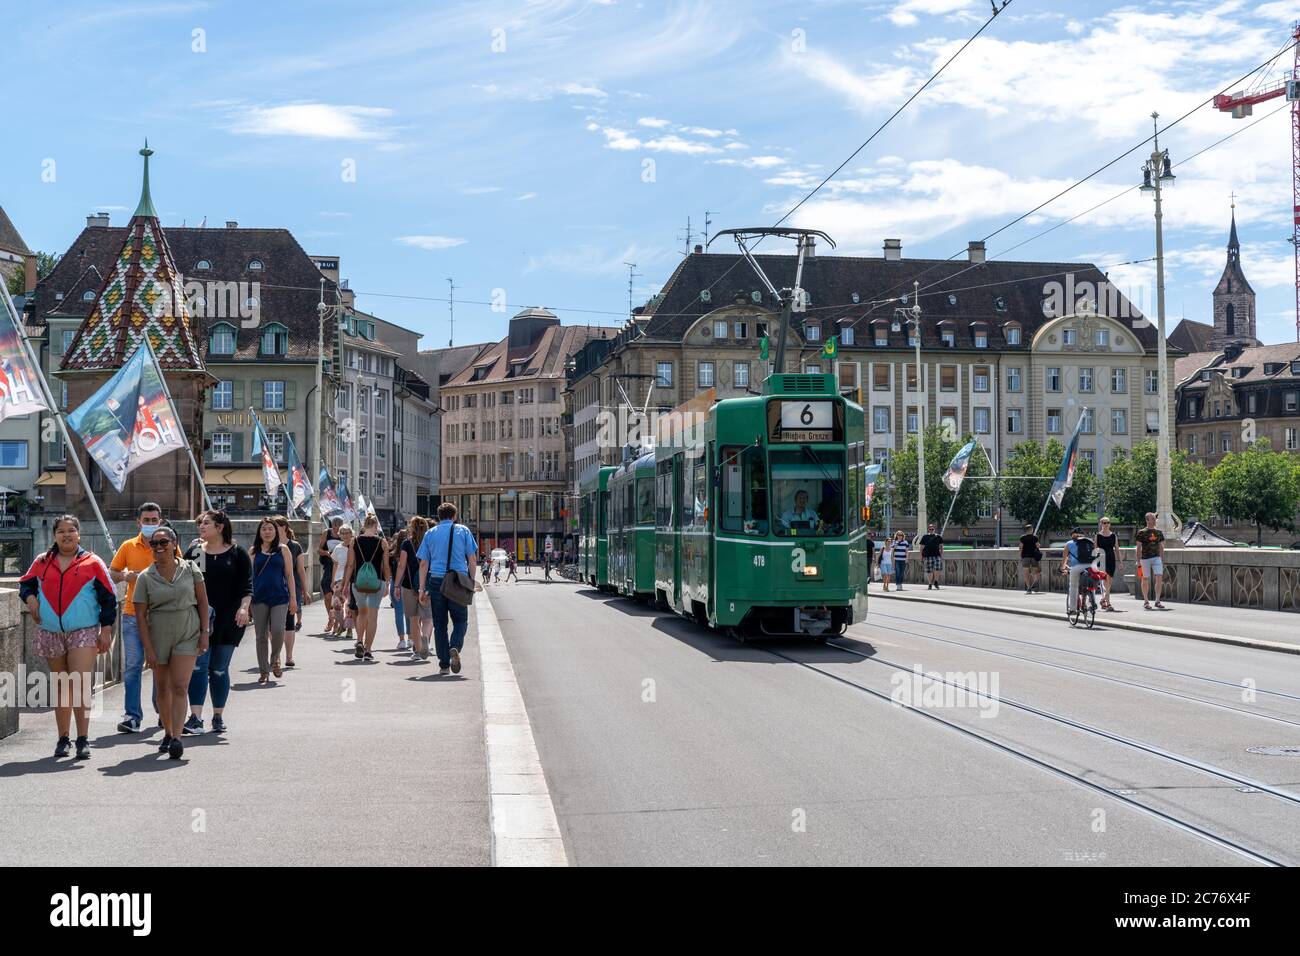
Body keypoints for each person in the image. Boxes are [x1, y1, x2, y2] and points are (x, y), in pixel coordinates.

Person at [19, 516, 116, 760]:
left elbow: (109, 597)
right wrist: (31, 600)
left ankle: (83, 738)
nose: (66, 535)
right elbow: (26, 585)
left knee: (79, 682)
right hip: (51, 630)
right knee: (62, 684)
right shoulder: (42, 561)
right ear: (54, 536)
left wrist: (106, 629)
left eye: (72, 530)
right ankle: (63, 738)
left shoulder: (93, 562)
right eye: (61, 531)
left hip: (83, 629)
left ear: (79, 535)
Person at [133, 526, 208, 761]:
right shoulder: (145, 577)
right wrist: (148, 649)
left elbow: (203, 601)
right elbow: (140, 617)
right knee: (162, 689)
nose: (158, 548)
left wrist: (204, 632)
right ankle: (167, 731)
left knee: (179, 686)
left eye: (163, 543)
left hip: (187, 629)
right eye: (153, 544)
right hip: (159, 633)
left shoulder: (191, 568)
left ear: (174, 544)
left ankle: (177, 738)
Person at [183, 510, 251, 735]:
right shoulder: (196, 553)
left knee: (219, 669)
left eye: (206, 523)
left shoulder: (236, 553)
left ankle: (218, 716)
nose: (201, 526)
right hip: (200, 618)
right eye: (200, 523)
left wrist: (244, 607)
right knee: (199, 668)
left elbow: (246, 586)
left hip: (229, 619)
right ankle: (195, 717)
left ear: (220, 527)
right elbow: (184, 582)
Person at [110, 501, 166, 733]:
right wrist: (126, 576)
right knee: (133, 666)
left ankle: (163, 711)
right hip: (133, 614)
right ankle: (132, 715)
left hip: (161, 615)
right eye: (147, 520)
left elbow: (179, 569)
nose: (150, 524)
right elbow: (112, 574)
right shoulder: (127, 546)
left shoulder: (167, 545)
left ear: (160, 521)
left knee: (160, 665)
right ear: (139, 522)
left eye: (154, 520)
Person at [417, 502, 478, 676]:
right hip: (458, 581)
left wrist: (422, 589)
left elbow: (423, 563)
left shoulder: (430, 533)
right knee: (460, 620)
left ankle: (444, 663)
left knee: (440, 623)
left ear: (438, 516)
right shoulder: (463, 531)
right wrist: (471, 582)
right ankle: (455, 646)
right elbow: (472, 559)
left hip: (436, 581)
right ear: (454, 516)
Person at [249, 516, 297, 683]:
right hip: (259, 597)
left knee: (277, 630)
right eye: (264, 529)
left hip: (280, 596)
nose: (267, 532)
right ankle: (263, 671)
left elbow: (290, 575)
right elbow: (249, 578)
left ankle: (275, 658)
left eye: (270, 528)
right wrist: (246, 601)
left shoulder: (283, 549)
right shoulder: (253, 551)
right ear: (259, 532)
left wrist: (294, 599)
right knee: (260, 636)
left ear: (276, 531)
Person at [344, 514, 389, 661]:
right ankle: (368, 650)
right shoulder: (382, 542)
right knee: (373, 616)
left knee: (362, 613)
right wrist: (387, 583)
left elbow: (350, 565)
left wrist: (345, 585)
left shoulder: (354, 541)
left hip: (358, 582)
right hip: (377, 582)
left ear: (364, 525)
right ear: (376, 526)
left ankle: (359, 641)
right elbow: (385, 566)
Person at [272, 516, 310, 667]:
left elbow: (300, 570)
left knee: (289, 623)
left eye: (275, 526)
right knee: (273, 626)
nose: (272, 529)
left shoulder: (295, 546)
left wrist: (305, 591)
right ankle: (276, 656)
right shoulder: (268, 545)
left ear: (284, 528)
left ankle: (288, 656)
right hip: (273, 588)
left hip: (291, 588)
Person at [395, 517, 432, 661]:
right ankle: (425, 639)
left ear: (411, 527)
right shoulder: (430, 542)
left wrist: (397, 585)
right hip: (427, 585)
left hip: (409, 586)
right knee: (428, 618)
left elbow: (402, 566)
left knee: (414, 619)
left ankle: (417, 650)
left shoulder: (406, 543)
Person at [1059, 527, 1098, 616]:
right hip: (1090, 566)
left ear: (1072, 535)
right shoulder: (1089, 541)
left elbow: (1065, 558)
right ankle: (1093, 602)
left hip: (1076, 567)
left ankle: (1072, 609)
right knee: (1091, 585)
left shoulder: (1069, 543)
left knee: (1073, 587)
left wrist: (1063, 568)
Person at [1135, 511, 1167, 610]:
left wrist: (1162, 559)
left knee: (1159, 577)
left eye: (1155, 518)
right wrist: (1138, 560)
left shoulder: (1159, 532)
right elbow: (1138, 547)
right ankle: (1146, 601)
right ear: (1147, 520)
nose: (1154, 520)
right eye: (1152, 519)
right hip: (1145, 559)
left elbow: (1161, 547)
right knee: (1145, 579)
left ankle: (1157, 601)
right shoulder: (1141, 532)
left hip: (1156, 558)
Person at [319, 517, 343, 633]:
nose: (336, 529)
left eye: (338, 527)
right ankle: (331, 618)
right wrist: (326, 553)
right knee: (328, 596)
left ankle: (337, 622)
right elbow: (318, 549)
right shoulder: (326, 533)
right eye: (334, 526)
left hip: (340, 569)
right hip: (328, 566)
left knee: (338, 598)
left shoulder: (346, 534)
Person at [330, 527, 354, 639]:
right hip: (338, 578)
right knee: (336, 604)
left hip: (352, 578)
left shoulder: (355, 545)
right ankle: (341, 624)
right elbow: (335, 565)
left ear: (351, 533)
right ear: (340, 535)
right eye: (343, 533)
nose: (345, 535)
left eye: (347, 533)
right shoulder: (338, 548)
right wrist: (332, 579)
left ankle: (349, 629)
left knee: (349, 604)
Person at [389, 528, 410, 652]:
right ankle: (411, 638)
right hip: (407, 583)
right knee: (409, 612)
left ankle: (402, 640)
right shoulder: (410, 550)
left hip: (394, 583)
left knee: (398, 611)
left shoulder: (392, 554)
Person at [1095, 517, 1120, 611]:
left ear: (1110, 524)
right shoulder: (1098, 535)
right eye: (1104, 523)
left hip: (1111, 558)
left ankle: (1103, 599)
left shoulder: (1113, 535)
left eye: (1108, 522)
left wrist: (1120, 562)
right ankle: (1108, 603)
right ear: (1101, 524)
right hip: (1101, 559)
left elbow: (1117, 549)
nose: (1106, 524)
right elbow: (1096, 549)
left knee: (1109, 581)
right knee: (1105, 580)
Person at [918, 523, 944, 590]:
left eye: (932, 529)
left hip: (937, 555)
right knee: (929, 570)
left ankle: (936, 581)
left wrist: (941, 555)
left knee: (937, 569)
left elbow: (941, 547)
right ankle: (930, 584)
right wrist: (921, 556)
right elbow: (921, 547)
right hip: (927, 556)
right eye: (930, 529)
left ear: (934, 529)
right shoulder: (925, 537)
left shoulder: (938, 537)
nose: (931, 530)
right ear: (928, 530)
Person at [1019, 524, 1042, 594]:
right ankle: (1035, 583)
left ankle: (1029, 588)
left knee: (1026, 573)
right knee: (1035, 572)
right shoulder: (1035, 537)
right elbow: (1038, 546)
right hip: (1034, 557)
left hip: (1025, 556)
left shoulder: (1022, 538)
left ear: (1026, 530)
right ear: (1031, 530)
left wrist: (1021, 555)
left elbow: (1021, 547)